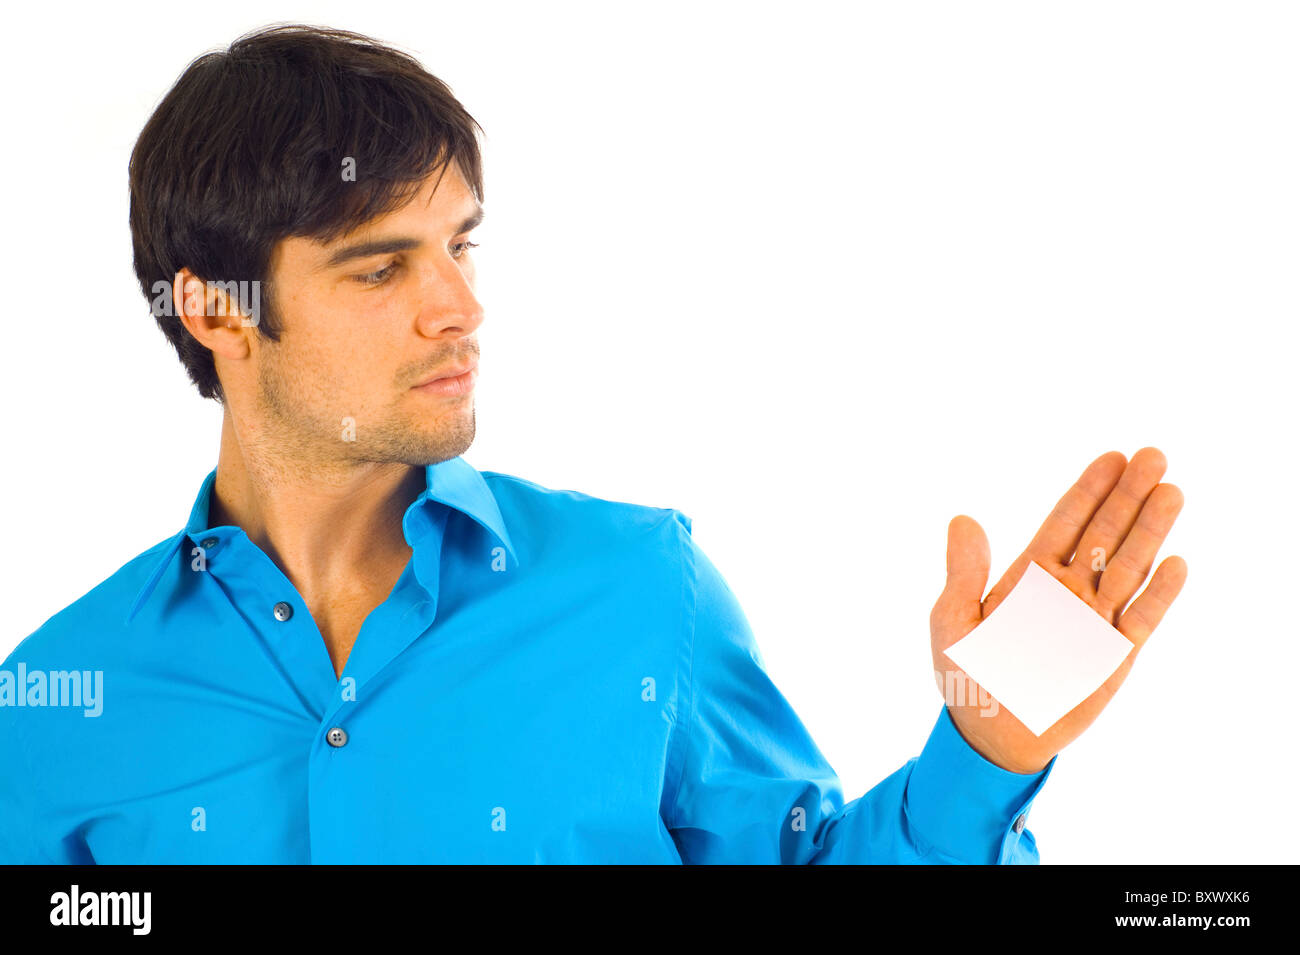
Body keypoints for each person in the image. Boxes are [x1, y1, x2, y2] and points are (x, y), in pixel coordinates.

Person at [0, 24, 1186, 864]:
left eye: (460, 245)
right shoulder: (55, 706)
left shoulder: (634, 588)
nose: (457, 306)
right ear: (218, 311)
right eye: (380, 265)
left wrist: (980, 755)